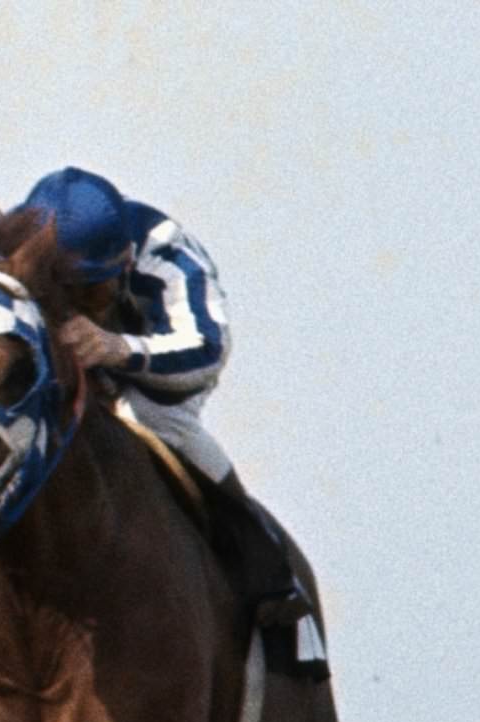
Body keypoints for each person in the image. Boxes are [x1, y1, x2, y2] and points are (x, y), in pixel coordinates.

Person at [16, 167, 323, 663]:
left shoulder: (170, 258)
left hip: (161, 374)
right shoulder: (23, 249)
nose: (74, 301)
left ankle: (264, 563)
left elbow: (207, 351)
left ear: (123, 263)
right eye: (61, 285)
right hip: (70, 368)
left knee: (142, 416)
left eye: (87, 287)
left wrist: (116, 349)